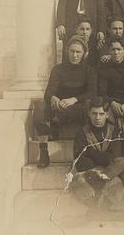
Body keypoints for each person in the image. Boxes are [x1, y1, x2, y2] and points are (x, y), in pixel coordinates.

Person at [34, 35, 96, 168]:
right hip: (61, 107)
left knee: (88, 105)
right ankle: (44, 152)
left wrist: (74, 99)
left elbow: (92, 93)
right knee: (39, 106)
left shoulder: (89, 70)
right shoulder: (58, 69)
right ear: (67, 52)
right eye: (72, 51)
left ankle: (82, 152)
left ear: (85, 53)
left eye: (78, 52)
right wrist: (53, 97)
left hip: (79, 108)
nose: (75, 55)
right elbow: (49, 92)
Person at [70, 97, 124, 209]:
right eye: (94, 113)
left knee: (117, 182)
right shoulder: (81, 133)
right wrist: (103, 160)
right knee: (77, 181)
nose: (97, 118)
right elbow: (80, 161)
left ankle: (101, 211)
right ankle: (94, 210)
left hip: (111, 172)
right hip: (91, 172)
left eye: (101, 114)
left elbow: (115, 158)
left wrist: (90, 152)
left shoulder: (115, 131)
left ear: (107, 114)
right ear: (89, 114)